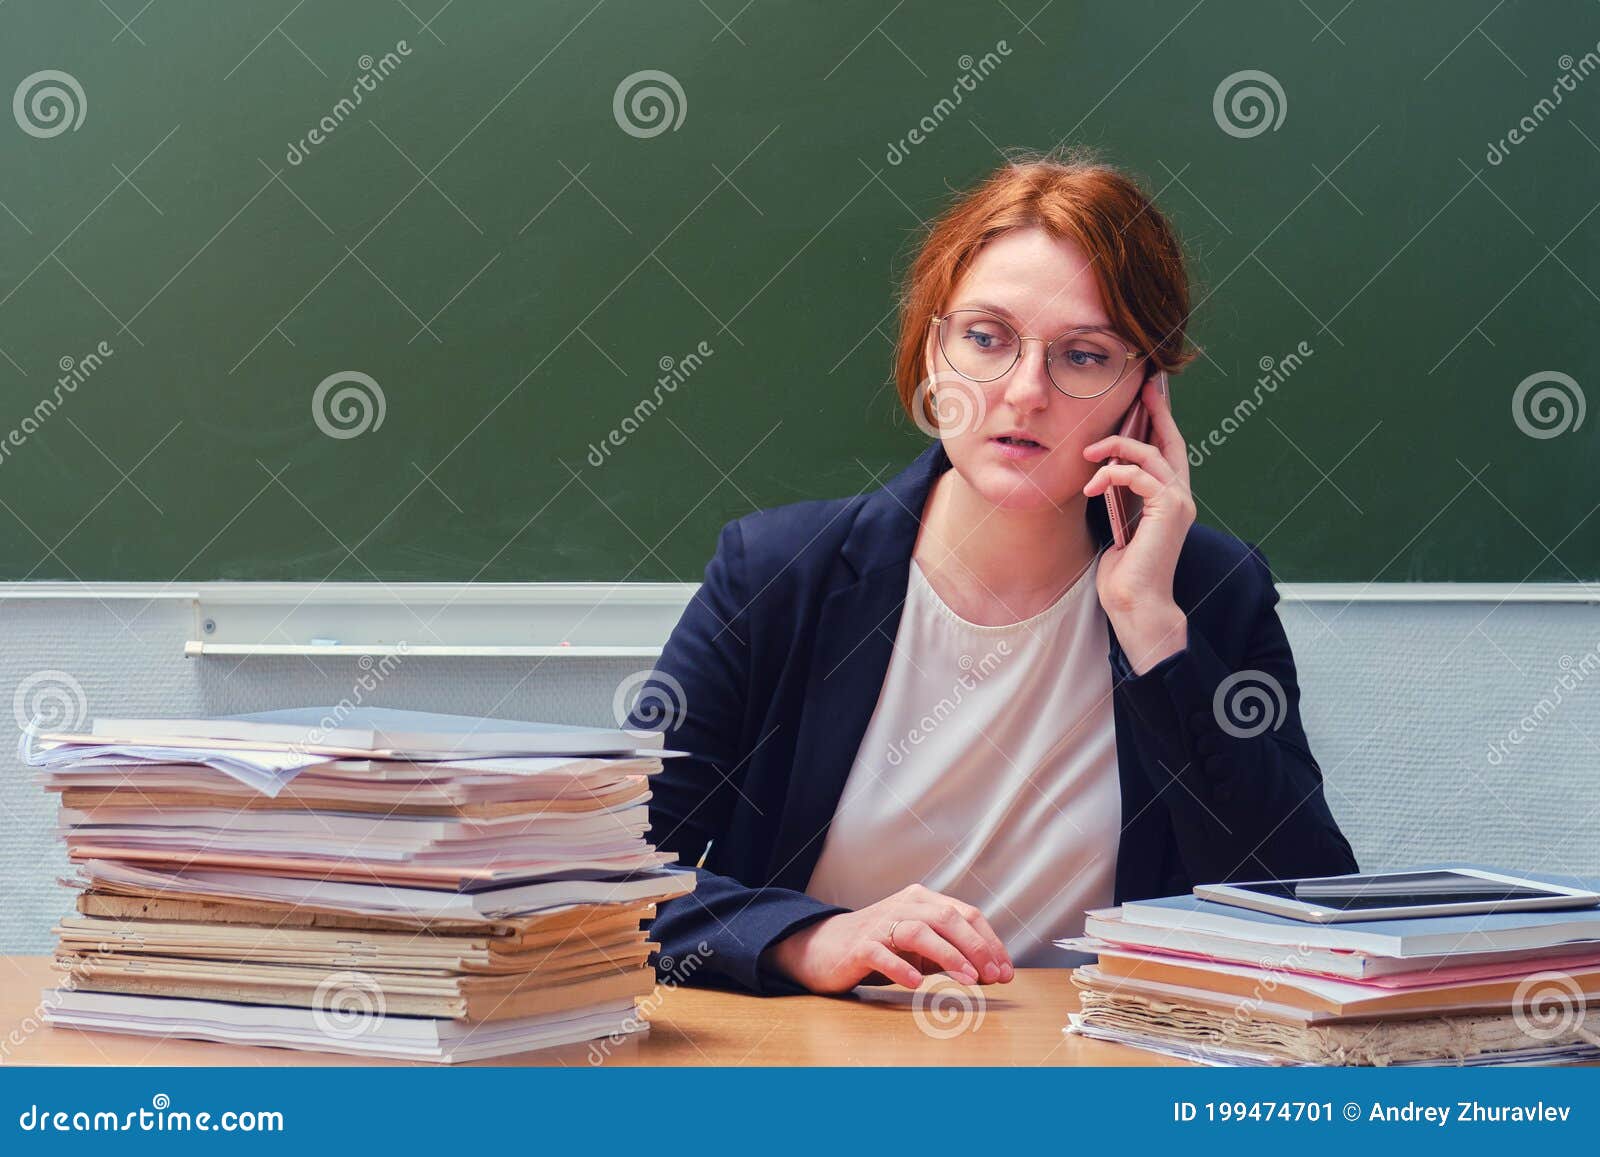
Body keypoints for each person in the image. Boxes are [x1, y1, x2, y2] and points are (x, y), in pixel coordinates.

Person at [626, 147, 1357, 997]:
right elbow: (600, 879)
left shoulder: (1206, 592)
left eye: (1084, 355)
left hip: (1096, 1079)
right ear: (933, 352)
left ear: (1143, 393)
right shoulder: (777, 572)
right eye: (986, 338)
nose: (1024, 392)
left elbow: (1309, 909)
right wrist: (808, 937)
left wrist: (1155, 631)